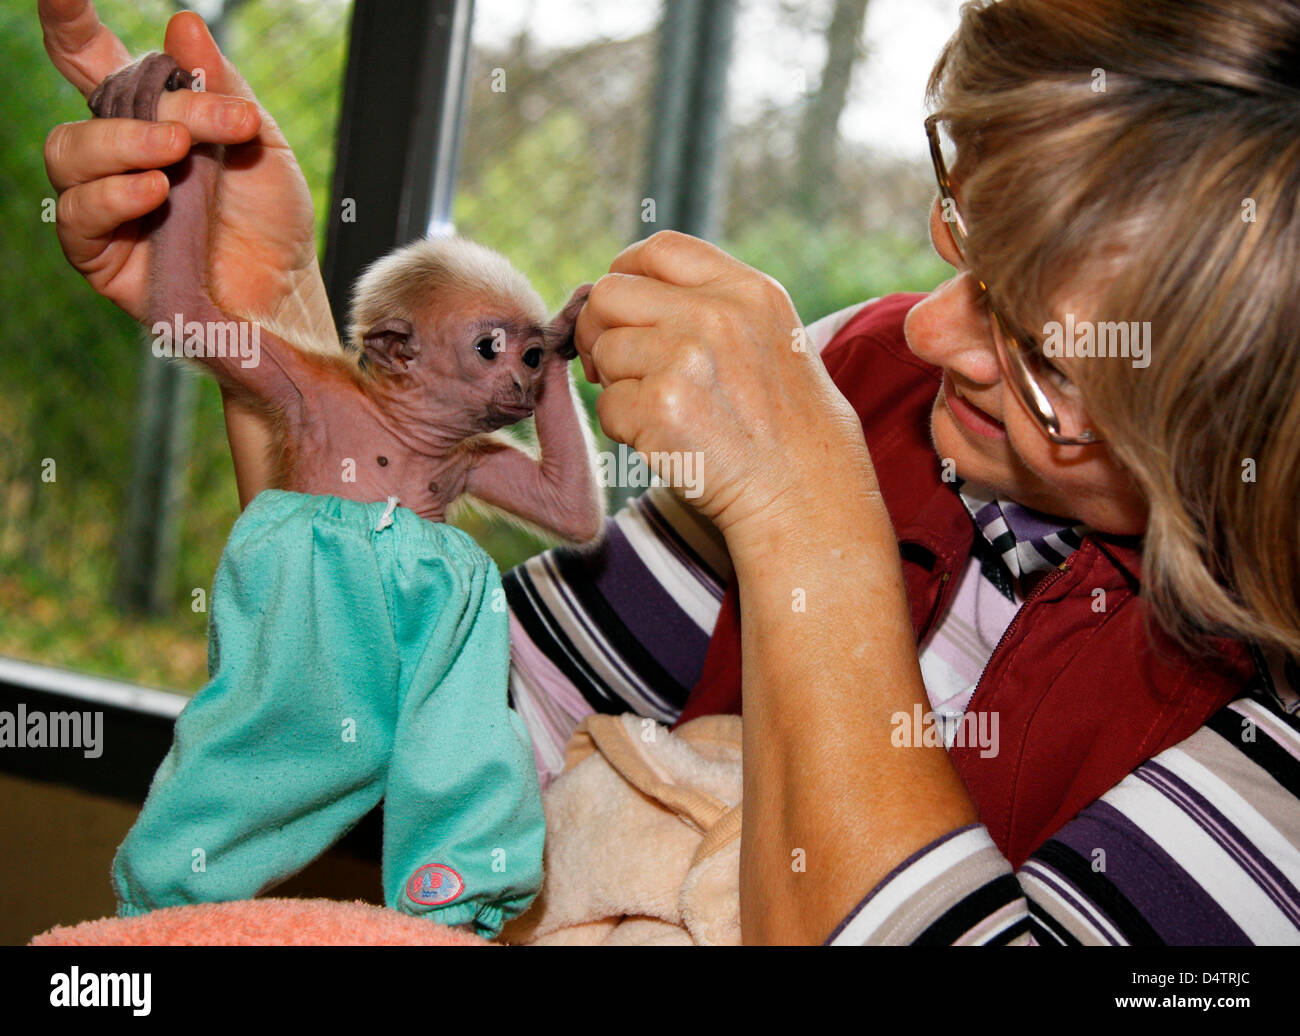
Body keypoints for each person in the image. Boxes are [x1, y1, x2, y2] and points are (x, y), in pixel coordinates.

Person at [40, 0, 1300, 945]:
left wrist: (809, 523)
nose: (932, 329)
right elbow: (422, 735)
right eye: (973, 235)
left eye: (1041, 358)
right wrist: (281, 332)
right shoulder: (873, 389)